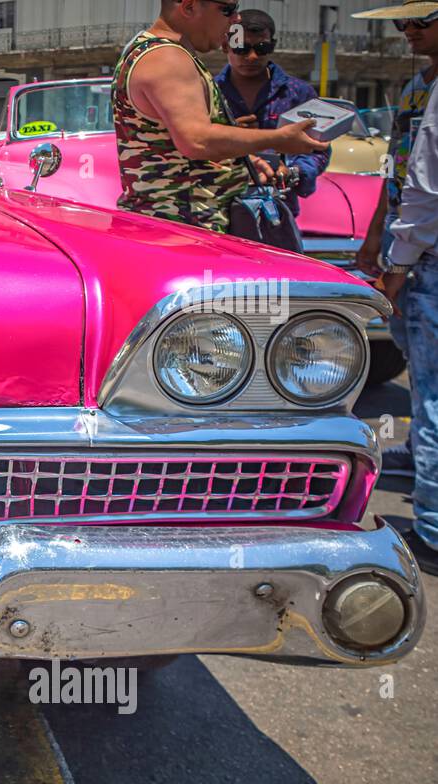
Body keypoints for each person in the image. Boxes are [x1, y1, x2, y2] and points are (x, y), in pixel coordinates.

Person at [113, 0, 326, 232]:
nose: (236, 19)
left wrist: (243, 160)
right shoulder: (167, 58)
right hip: (181, 231)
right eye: (227, 9)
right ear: (189, 6)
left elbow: (175, 142)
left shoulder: (160, 52)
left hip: (179, 227)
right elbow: (197, 140)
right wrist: (279, 138)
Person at [359, 2, 438, 572]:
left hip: (427, 257)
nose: (408, 32)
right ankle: (417, 465)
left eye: (420, 20)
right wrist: (375, 239)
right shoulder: (417, 87)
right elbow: (400, 172)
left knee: (432, 395)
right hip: (411, 250)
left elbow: (427, 193)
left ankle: (432, 528)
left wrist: (398, 264)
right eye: (400, 24)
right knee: (420, 378)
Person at [215, 8, 329, 215]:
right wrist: (230, 136)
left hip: (278, 210)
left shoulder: (298, 93)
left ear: (272, 46)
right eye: (241, 48)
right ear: (225, 46)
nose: (251, 56)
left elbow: (320, 148)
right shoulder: (208, 91)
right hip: (220, 210)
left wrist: (294, 172)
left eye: (261, 48)